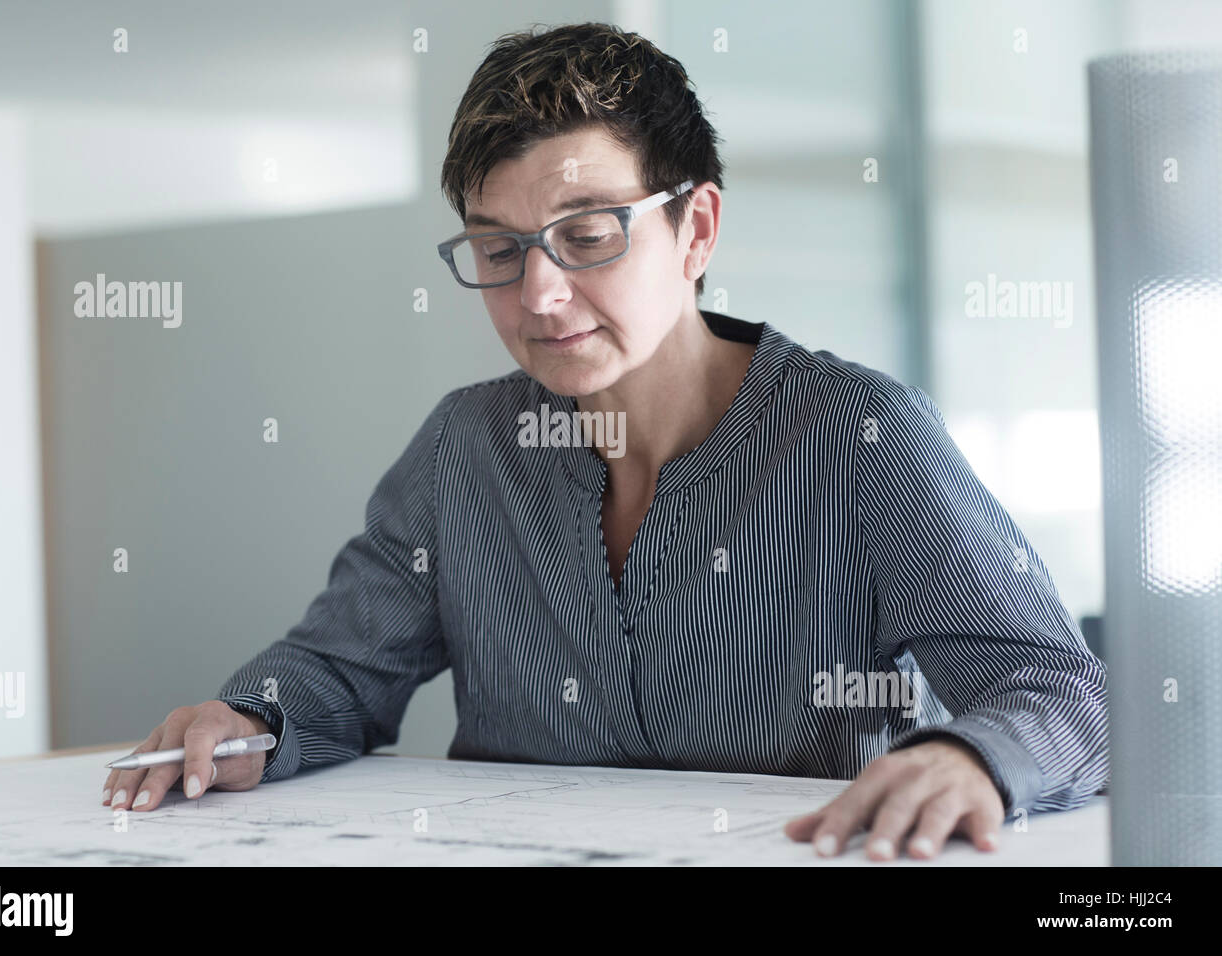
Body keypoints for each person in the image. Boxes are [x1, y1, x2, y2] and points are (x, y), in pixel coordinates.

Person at [102, 22, 1109, 862]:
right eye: (499, 249)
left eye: (587, 237)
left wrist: (973, 757)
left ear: (697, 229)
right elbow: (336, 669)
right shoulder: (465, 449)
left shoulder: (860, 436)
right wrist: (249, 717)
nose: (538, 294)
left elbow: (1064, 693)